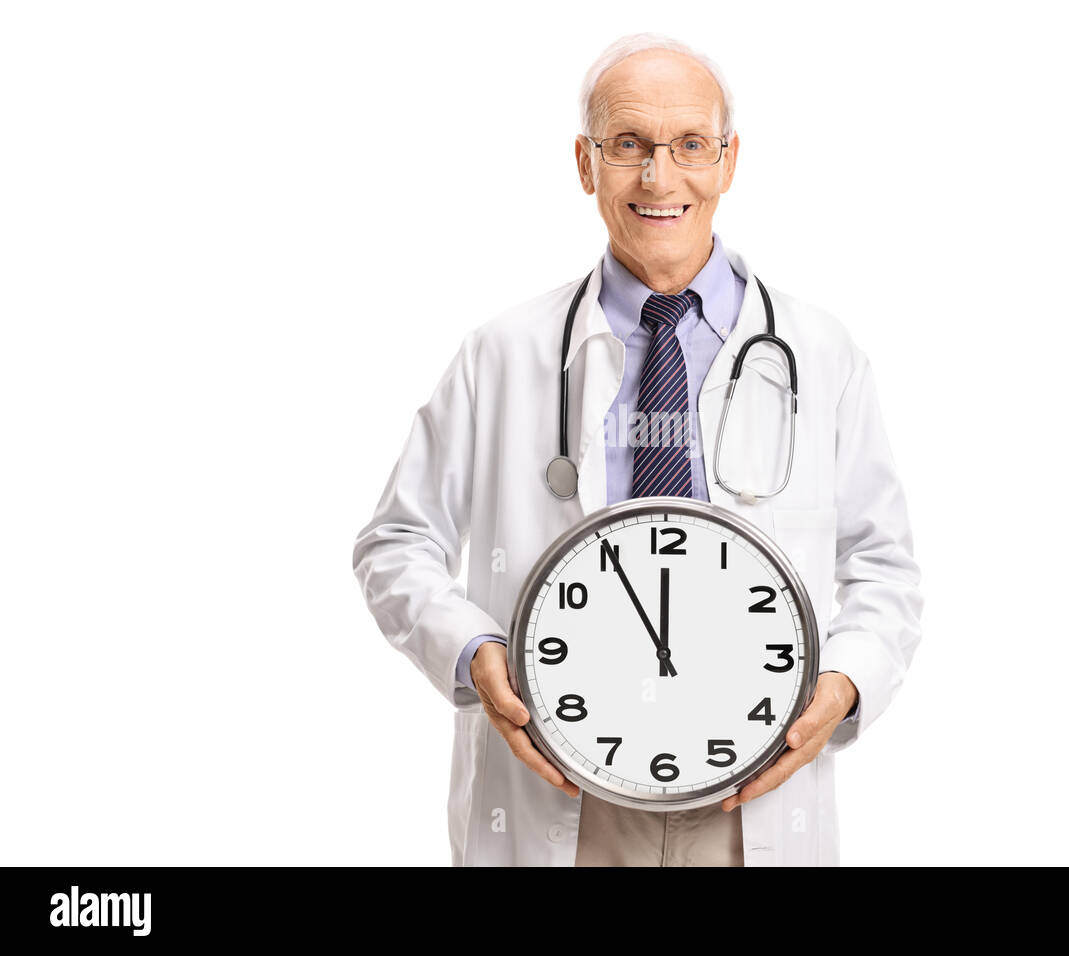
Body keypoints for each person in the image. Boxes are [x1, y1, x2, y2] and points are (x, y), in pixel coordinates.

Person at [351, 32, 924, 866]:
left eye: (690, 144)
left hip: (752, 794)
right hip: (562, 790)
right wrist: (473, 654)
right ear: (585, 164)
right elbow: (395, 543)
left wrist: (842, 685)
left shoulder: (821, 353)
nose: (660, 178)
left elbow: (884, 565)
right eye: (628, 146)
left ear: (728, 161)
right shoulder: (503, 353)